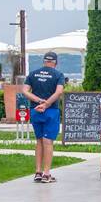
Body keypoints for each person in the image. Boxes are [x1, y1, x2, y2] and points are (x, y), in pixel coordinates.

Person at [24, 50, 66, 183]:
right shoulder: (58, 75)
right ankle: (46, 173)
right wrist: (46, 104)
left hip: (35, 110)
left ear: (44, 61)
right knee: (48, 142)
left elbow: (24, 91)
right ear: (56, 62)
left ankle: (38, 171)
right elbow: (59, 91)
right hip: (51, 111)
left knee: (39, 141)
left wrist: (38, 101)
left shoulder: (33, 74)